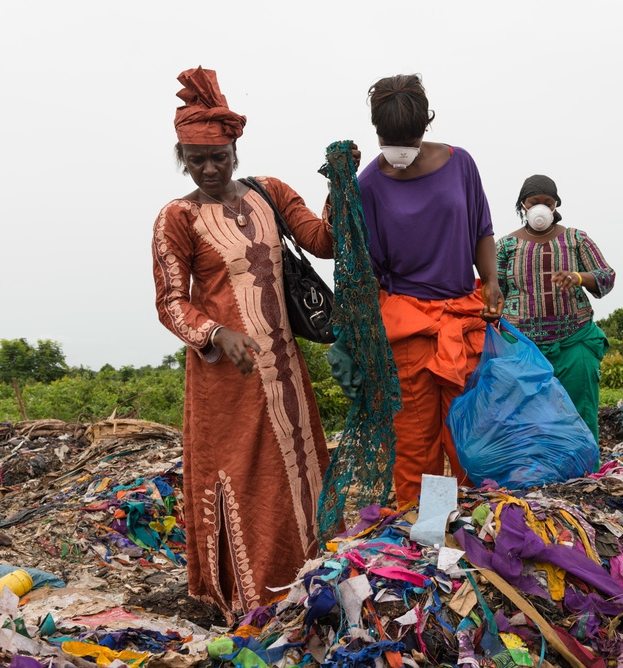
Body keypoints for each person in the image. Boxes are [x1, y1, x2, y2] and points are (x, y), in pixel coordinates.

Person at [151, 67, 357, 621]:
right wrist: (217, 333)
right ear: (183, 159)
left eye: (218, 157)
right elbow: (171, 302)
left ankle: (313, 580)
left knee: (301, 466)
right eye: (197, 160)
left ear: (235, 150)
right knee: (246, 478)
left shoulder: (271, 193)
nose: (210, 169)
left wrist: (340, 185)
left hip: (285, 368)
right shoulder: (177, 217)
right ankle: (254, 596)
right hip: (227, 379)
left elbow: (323, 241)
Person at [357, 74, 503, 506]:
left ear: (425, 128)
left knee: (468, 439)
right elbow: (370, 266)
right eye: (388, 138)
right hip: (408, 327)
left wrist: (491, 281)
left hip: (464, 321)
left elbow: (482, 230)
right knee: (418, 448)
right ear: (377, 133)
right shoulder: (368, 185)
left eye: (407, 138)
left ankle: (472, 535)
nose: (398, 147)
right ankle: (428, 539)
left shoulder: (461, 165)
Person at [496, 175, 614, 445]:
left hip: (574, 343)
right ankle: (534, 478)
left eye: (547, 202)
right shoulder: (505, 246)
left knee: (580, 415)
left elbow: (606, 276)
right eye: (533, 202)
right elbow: (496, 291)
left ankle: (584, 477)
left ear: (556, 205)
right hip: (523, 350)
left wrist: (579, 277)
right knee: (526, 420)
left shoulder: (576, 239)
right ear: (522, 206)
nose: (540, 208)